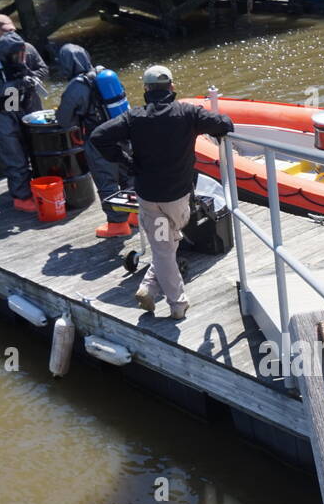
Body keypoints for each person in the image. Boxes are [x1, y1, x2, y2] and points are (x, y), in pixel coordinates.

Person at [91, 65, 233, 321]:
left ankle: (149, 286)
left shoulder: (134, 117)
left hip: (149, 199)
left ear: (146, 90)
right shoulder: (188, 113)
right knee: (166, 247)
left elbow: (99, 136)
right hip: (178, 199)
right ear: (172, 88)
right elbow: (224, 124)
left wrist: (126, 162)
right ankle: (177, 304)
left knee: (164, 246)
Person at [54, 44, 133, 237]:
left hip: (99, 140)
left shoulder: (76, 86)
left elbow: (63, 120)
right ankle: (134, 215)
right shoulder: (105, 73)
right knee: (128, 176)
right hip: (123, 133)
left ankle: (117, 225)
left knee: (107, 182)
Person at [0, 32, 47, 211]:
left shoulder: (27, 50)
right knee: (13, 153)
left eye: (22, 55)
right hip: (0, 110)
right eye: (16, 57)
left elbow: (43, 69)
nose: (21, 58)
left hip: (23, 101)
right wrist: (19, 83)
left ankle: (39, 184)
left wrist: (32, 78)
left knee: (37, 146)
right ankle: (21, 197)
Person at [0, 14, 49, 81]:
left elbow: (45, 72)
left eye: (11, 30)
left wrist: (29, 77)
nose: (10, 33)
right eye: (5, 31)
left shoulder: (28, 48)